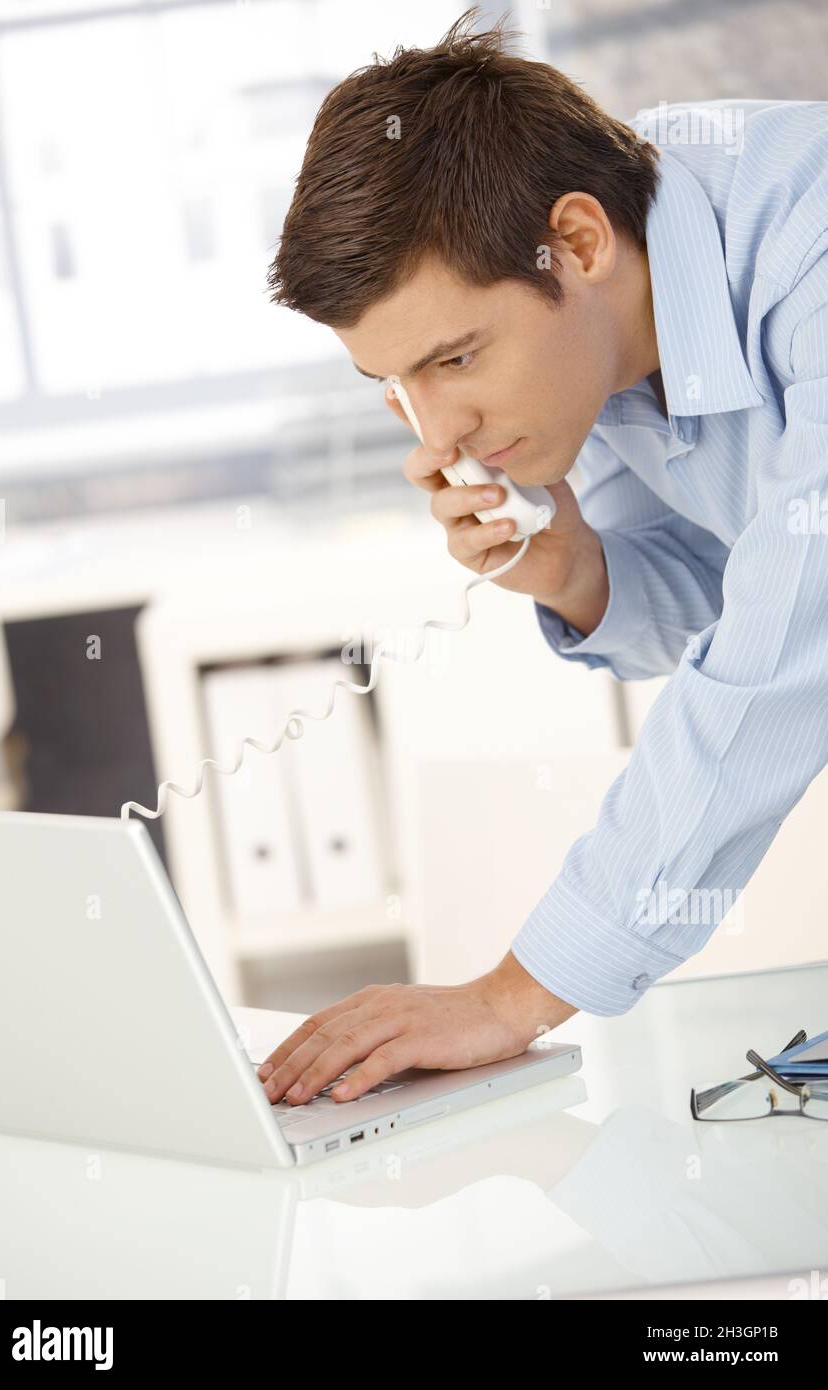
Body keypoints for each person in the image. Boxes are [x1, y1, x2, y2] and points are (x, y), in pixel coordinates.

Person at [257, 9, 828, 1108]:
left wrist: (515, 993)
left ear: (575, 242)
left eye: (455, 358)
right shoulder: (611, 314)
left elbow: (785, 647)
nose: (438, 435)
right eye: (398, 386)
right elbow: (722, 577)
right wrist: (575, 570)